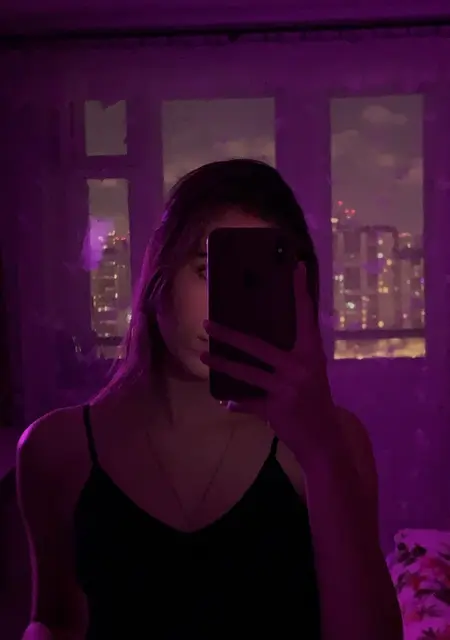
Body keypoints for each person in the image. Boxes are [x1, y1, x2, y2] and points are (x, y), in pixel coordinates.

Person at [17, 159, 403, 640]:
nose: (222, 305)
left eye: (255, 283)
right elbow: (55, 620)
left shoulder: (335, 440)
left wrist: (321, 450)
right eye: (206, 270)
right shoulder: (57, 449)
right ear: (160, 274)